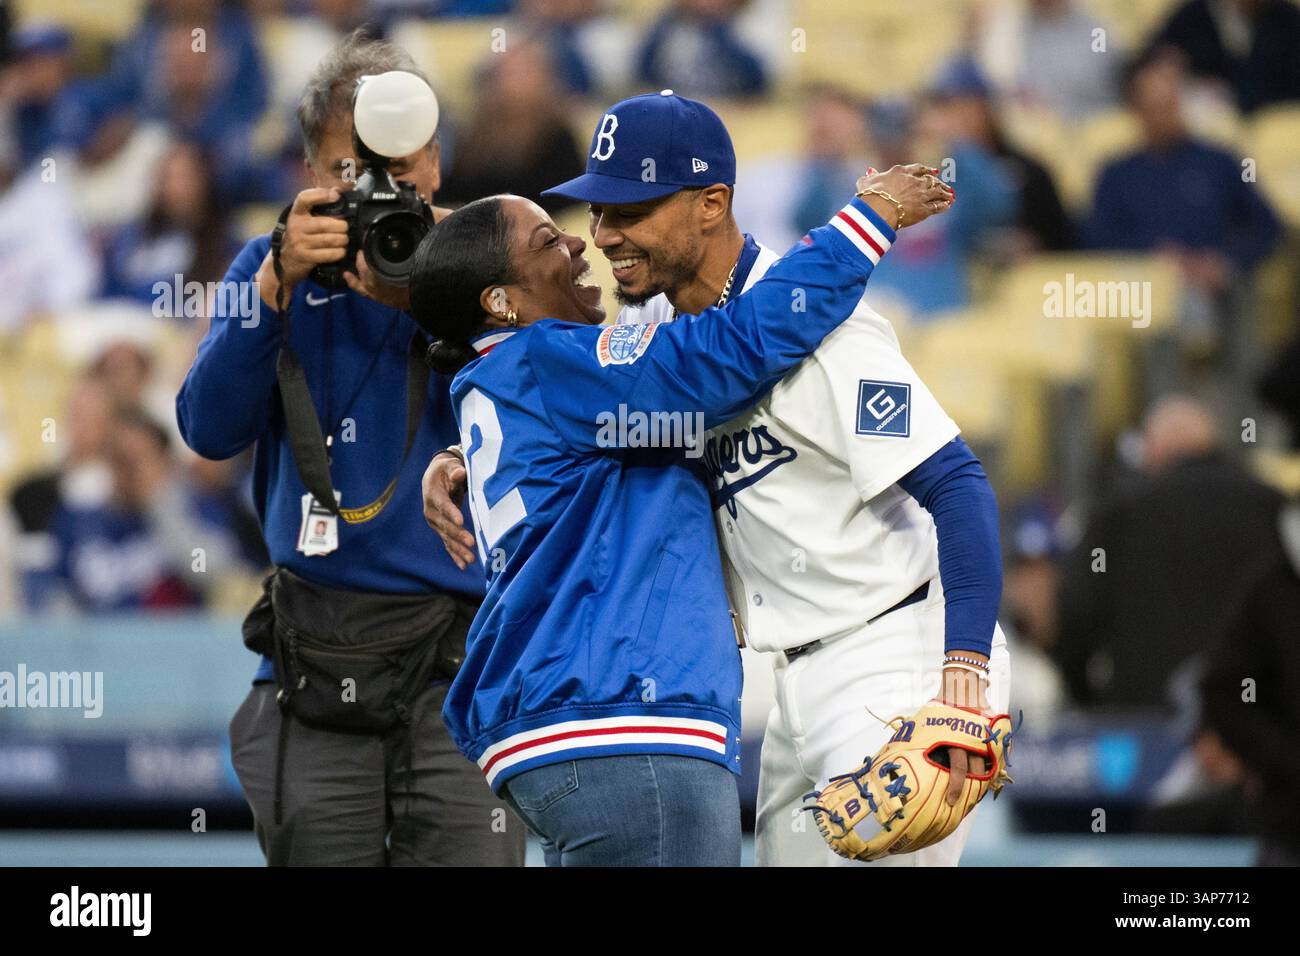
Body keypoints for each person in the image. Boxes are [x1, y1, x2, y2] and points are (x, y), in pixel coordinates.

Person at [426, 92, 1006, 867]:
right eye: (597, 212)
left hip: (891, 650)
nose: (602, 237)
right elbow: (651, 389)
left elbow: (958, 485)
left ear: (711, 204)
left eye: (630, 209)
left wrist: (962, 670)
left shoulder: (824, 328)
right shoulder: (654, 342)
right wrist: (479, 454)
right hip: (788, 682)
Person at [176, 31, 523, 867]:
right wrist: (273, 292)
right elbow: (208, 430)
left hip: (462, 666)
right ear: (312, 176)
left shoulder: (486, 268)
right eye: (351, 169)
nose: (385, 189)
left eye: (403, 161)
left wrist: (458, 293)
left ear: (436, 160)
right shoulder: (271, 270)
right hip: (316, 665)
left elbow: (546, 427)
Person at [1053, 396, 1283, 710]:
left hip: (1143, 723)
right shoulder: (1270, 507)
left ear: (1155, 446)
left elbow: (1077, 612)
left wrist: (1089, 700)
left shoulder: (1120, 513)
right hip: (1251, 724)